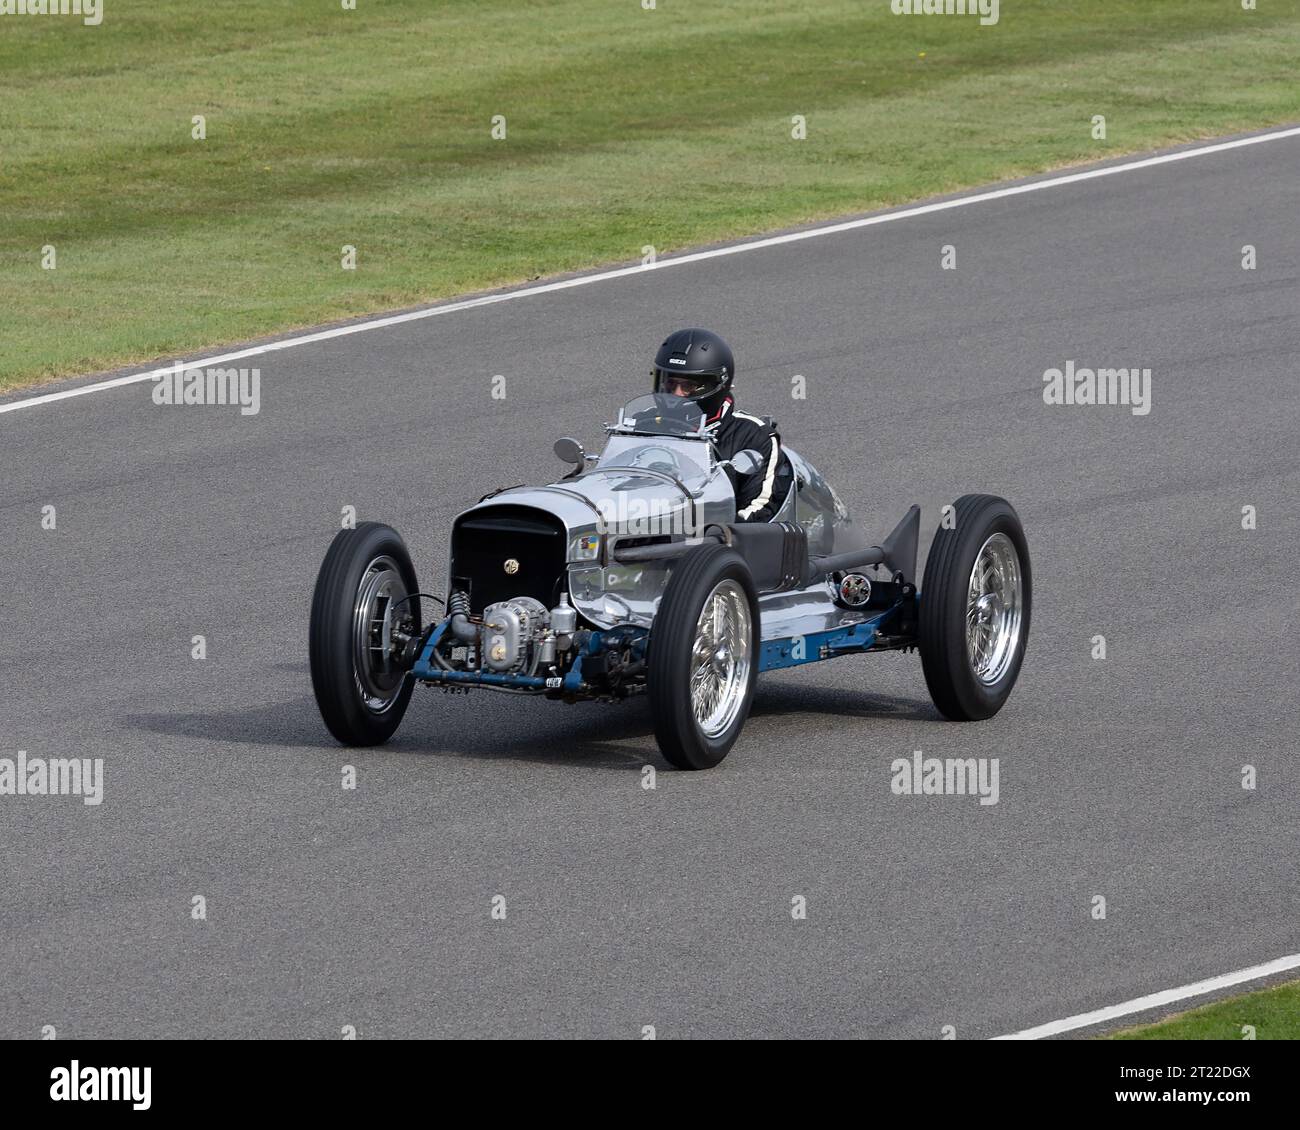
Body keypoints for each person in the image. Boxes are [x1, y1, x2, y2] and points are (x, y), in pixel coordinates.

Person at [651, 328, 793, 522]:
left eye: (688, 386)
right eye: (670, 384)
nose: (675, 394)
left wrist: (710, 535)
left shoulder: (753, 437)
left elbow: (759, 510)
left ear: (718, 385)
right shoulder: (641, 425)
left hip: (713, 543)